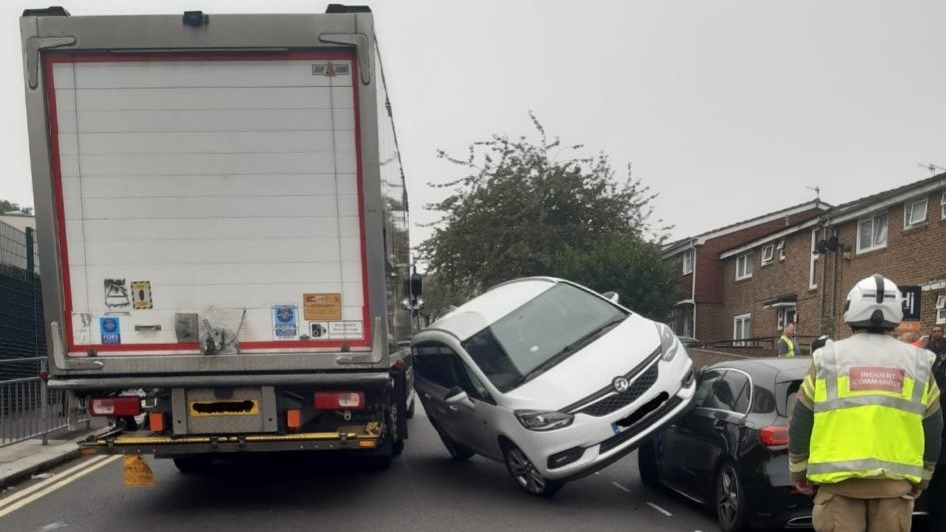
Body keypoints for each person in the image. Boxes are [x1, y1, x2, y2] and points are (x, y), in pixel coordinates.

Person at [788, 274, 943, 532]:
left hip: (838, 490)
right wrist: (923, 479)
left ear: (851, 312)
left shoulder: (827, 359)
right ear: (896, 314)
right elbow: (934, 428)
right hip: (895, 491)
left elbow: (801, 420)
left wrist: (798, 472)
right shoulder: (918, 363)